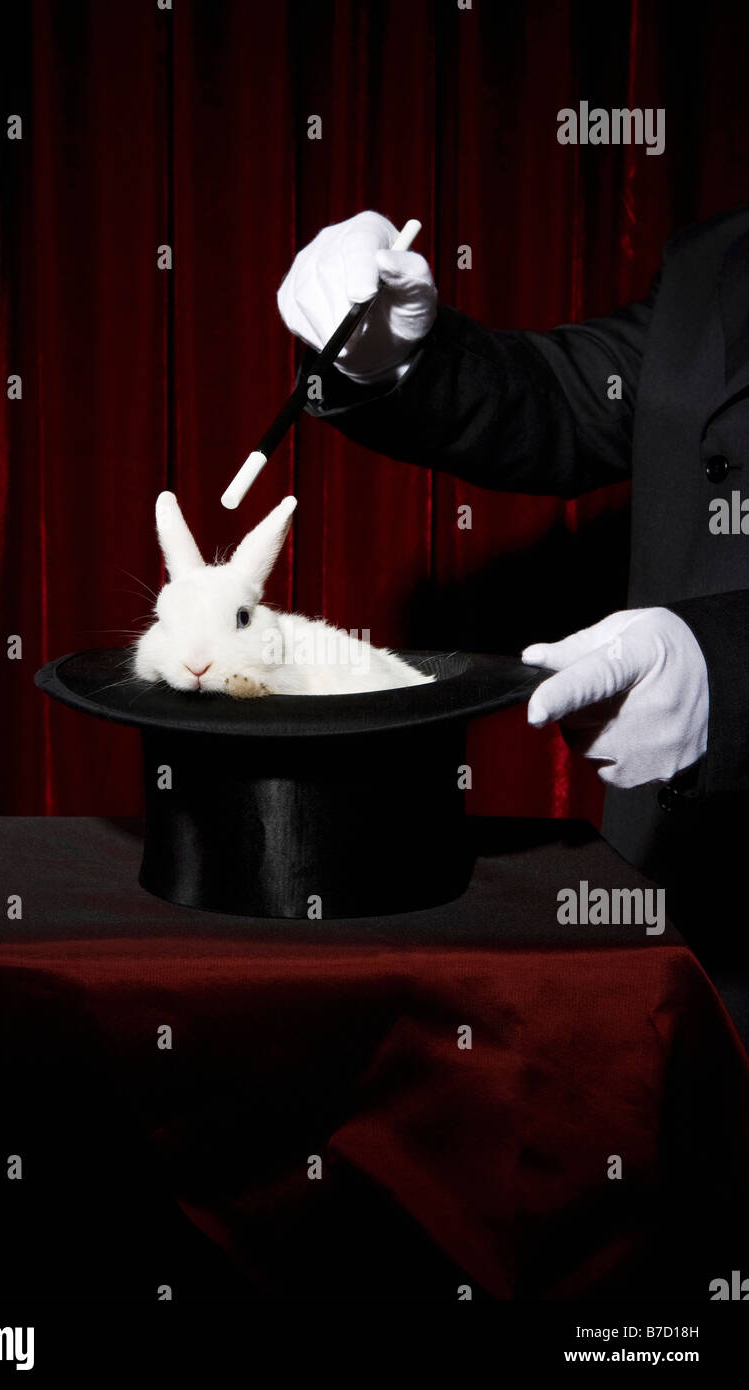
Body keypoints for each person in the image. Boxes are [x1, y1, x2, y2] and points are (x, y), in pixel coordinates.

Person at [277, 206, 749, 1042]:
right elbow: (569, 396)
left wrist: (730, 673)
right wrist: (396, 349)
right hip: (686, 909)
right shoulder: (716, 254)